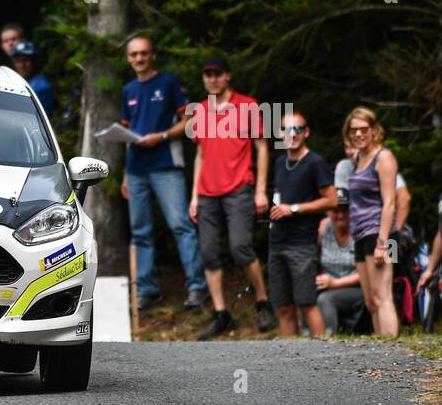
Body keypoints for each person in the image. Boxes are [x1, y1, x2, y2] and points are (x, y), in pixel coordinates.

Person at [186, 55, 274, 338]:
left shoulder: (247, 105)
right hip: (207, 191)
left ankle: (263, 303)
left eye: (217, 73)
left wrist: (261, 189)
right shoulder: (200, 109)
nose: (211, 78)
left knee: (240, 247)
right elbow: (200, 154)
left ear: (227, 76)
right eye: (207, 74)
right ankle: (222, 314)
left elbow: (262, 147)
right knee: (209, 253)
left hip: (239, 187)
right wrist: (194, 196)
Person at [119, 35, 208, 311]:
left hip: (166, 165)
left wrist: (162, 136)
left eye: (144, 53)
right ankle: (147, 290)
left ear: (153, 55)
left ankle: (197, 288)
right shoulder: (128, 90)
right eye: (134, 54)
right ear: (128, 58)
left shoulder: (168, 82)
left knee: (181, 226)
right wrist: (124, 174)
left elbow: (191, 120)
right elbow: (126, 133)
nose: (139, 59)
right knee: (140, 232)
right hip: (135, 170)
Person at [266, 110, 336, 336]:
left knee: (307, 303)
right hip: (277, 242)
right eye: (286, 129)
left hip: (301, 243)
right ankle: (289, 361)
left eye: (297, 129)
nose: (291, 134)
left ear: (306, 132)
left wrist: (293, 209)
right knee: (284, 307)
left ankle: (320, 357)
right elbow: (278, 194)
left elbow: (332, 200)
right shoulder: (279, 163)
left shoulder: (315, 162)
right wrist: (275, 213)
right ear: (279, 133)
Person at [344, 106, 400, 336]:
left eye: (363, 129)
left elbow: (390, 203)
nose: (358, 134)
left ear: (374, 130)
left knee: (383, 295)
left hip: (383, 234)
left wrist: (382, 243)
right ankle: (381, 351)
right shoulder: (359, 157)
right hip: (361, 234)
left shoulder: (384, 157)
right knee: (370, 301)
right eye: (353, 130)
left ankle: (392, 353)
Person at [316, 191, 366, 334]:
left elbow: (382, 269)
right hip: (327, 284)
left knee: (326, 299)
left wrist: (334, 283)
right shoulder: (324, 228)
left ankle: (329, 342)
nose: (341, 215)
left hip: (358, 286)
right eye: (336, 211)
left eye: (345, 211)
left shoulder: (366, 229)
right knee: (307, 294)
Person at [9, 42, 55, 118]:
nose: (22, 65)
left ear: (35, 62)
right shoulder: (14, 81)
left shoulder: (41, 87)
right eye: (18, 61)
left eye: (26, 60)